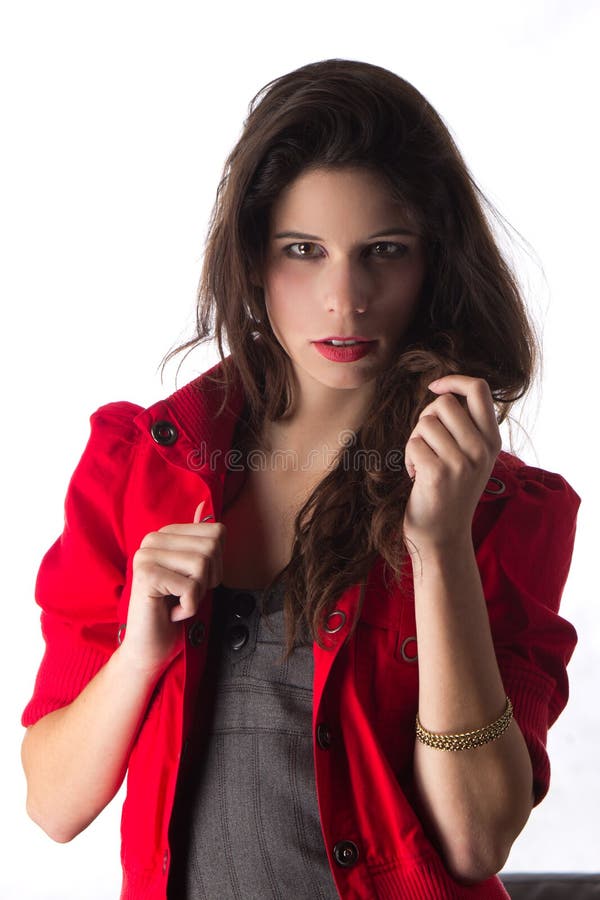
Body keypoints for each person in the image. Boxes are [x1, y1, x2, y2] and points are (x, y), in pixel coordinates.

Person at [21, 58, 580, 900]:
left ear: (433, 263)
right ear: (251, 261)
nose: (344, 299)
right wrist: (140, 656)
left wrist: (439, 549)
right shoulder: (138, 462)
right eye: (303, 251)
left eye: (383, 252)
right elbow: (52, 805)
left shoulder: (506, 508)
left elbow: (474, 840)